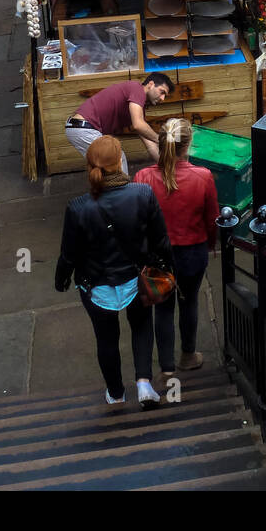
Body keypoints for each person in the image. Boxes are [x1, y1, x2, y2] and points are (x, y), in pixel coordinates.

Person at [56, 136, 173, 409]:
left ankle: (116, 394)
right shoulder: (142, 194)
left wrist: (60, 279)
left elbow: (69, 254)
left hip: (96, 286)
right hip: (136, 280)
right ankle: (144, 384)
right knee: (141, 327)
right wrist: (169, 269)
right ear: (119, 161)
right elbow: (161, 241)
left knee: (106, 339)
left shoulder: (77, 207)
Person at [135, 119, 218, 377]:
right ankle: (188, 355)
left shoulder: (143, 177)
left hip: (158, 258)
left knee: (163, 308)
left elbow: (138, 223)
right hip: (192, 254)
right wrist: (212, 245)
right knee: (189, 301)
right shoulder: (202, 177)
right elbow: (212, 219)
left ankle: (167, 368)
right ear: (188, 144)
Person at [67, 73, 174, 172]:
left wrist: (167, 167)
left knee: (107, 169)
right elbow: (138, 125)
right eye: (162, 92)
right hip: (84, 129)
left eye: (165, 95)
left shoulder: (136, 105)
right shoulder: (137, 89)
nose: (163, 98)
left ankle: (114, 190)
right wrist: (160, 140)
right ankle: (123, 191)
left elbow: (149, 143)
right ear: (151, 84)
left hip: (80, 128)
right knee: (116, 159)